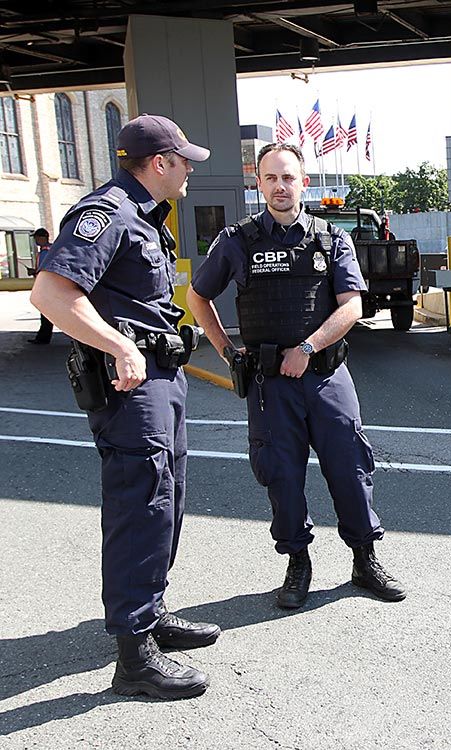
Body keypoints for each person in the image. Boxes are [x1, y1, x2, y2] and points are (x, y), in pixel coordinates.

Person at [30, 114, 220, 701]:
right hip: (131, 386)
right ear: (159, 163)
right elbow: (50, 293)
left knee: (166, 501)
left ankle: (151, 612)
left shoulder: (145, 216)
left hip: (159, 378)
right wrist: (118, 345)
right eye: (184, 161)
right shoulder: (108, 212)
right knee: (141, 504)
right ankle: (134, 656)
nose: (189, 171)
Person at [187, 142, 405, 610]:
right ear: (258, 184)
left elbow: (352, 306)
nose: (280, 186)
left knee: (350, 467)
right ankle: (297, 563)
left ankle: (364, 559)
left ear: (303, 182)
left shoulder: (331, 239)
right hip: (269, 385)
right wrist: (227, 351)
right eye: (270, 178)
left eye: (288, 177)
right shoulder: (237, 241)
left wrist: (308, 348)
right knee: (282, 476)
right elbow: (197, 297)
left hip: (325, 376)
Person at [27, 228, 54, 344]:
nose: (35, 240)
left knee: (46, 312)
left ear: (42, 238)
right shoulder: (51, 249)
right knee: (47, 312)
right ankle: (42, 336)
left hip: (47, 286)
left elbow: (45, 269)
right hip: (49, 284)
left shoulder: (46, 252)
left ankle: (43, 337)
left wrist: (34, 272)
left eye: (36, 238)